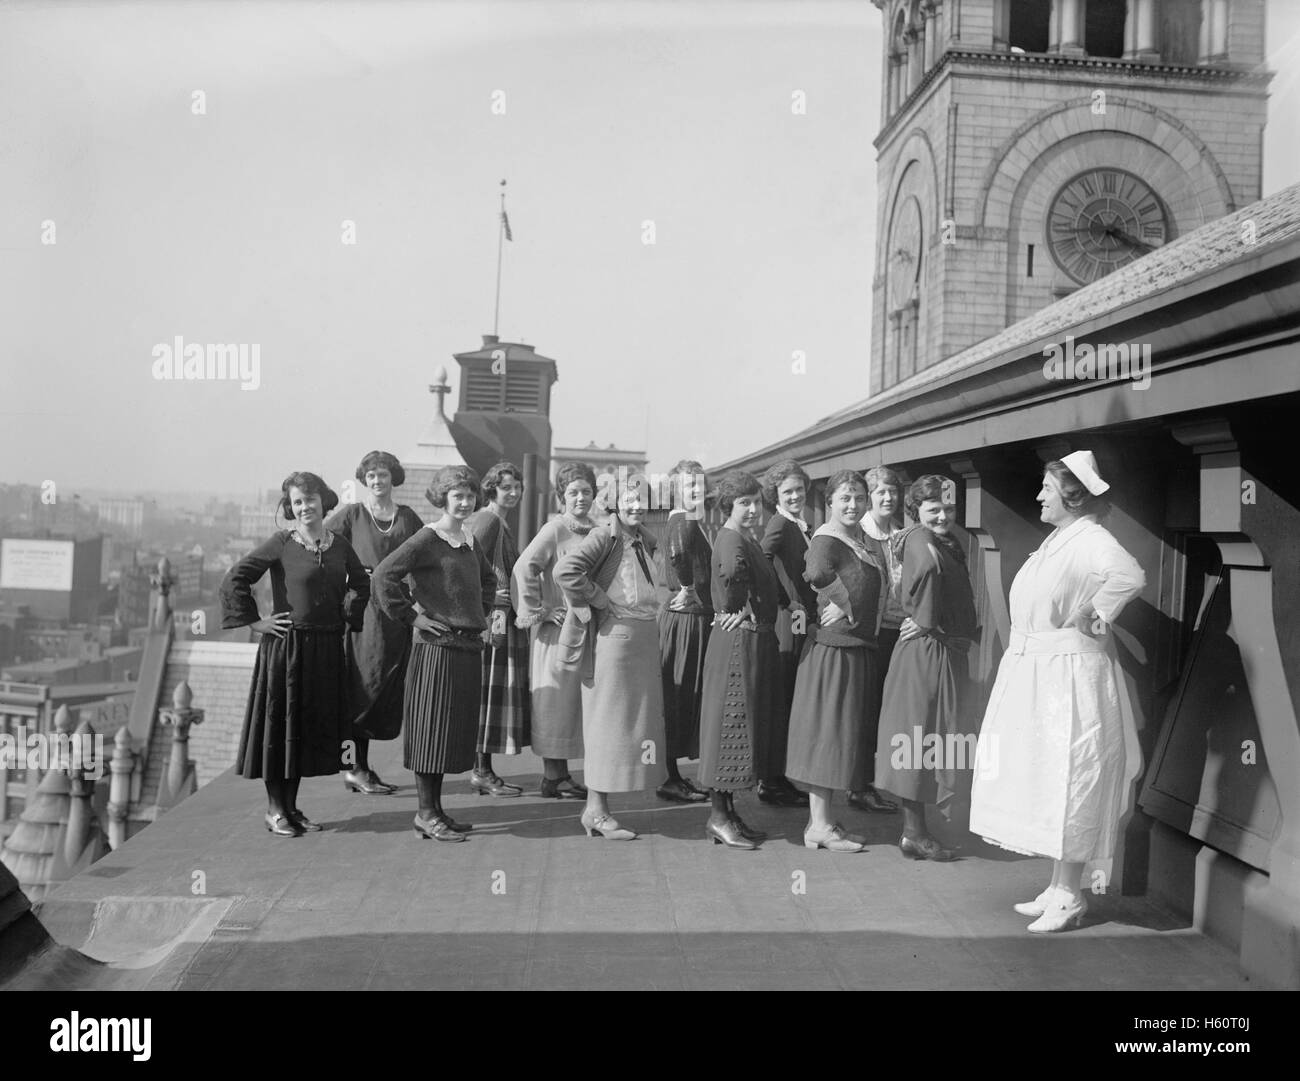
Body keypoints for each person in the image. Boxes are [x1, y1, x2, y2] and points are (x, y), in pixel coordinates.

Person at [970, 451, 1146, 933]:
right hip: (1039, 671)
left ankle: (1070, 895)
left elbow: (1129, 575)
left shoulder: (1093, 539)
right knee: (1047, 777)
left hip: (1071, 675)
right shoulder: (1063, 538)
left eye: (1047, 488)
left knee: (1072, 775)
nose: (1038, 496)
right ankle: (1056, 884)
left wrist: (1095, 612)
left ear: (1072, 495)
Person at [221, 471, 369, 836]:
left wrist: (346, 615)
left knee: (304, 730)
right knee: (281, 726)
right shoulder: (281, 543)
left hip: (324, 650)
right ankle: (275, 811)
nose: (305, 507)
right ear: (291, 507)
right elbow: (235, 578)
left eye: (310, 499)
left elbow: (362, 583)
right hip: (286, 649)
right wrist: (255, 622)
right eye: (297, 502)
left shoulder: (339, 545)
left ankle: (293, 809)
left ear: (324, 500)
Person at [372, 465, 496, 843]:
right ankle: (425, 814)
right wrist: (413, 617)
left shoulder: (469, 539)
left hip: (466, 649)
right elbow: (383, 576)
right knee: (429, 732)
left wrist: (482, 612)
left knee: (449, 735)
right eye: (457, 495)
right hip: (435, 652)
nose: (465, 501)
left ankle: (436, 811)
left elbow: (488, 579)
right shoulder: (428, 537)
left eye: (470, 495)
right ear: (442, 498)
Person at [554, 477, 669, 840]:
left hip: (642, 637)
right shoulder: (605, 534)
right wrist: (600, 600)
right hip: (617, 639)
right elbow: (565, 572)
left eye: (642, 501)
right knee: (608, 723)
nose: (637, 507)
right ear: (616, 503)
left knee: (634, 727)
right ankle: (597, 811)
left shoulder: (642, 538)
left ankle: (597, 809)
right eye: (629, 501)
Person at [874, 474, 979, 861]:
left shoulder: (944, 540)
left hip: (937, 650)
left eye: (949, 509)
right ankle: (914, 832)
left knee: (934, 740)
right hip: (926, 652)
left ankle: (920, 830)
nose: (943, 516)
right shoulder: (920, 538)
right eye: (934, 509)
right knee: (918, 739)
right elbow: (928, 571)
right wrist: (925, 616)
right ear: (916, 511)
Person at [785, 470, 889, 852]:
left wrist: (849, 609)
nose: (853, 505)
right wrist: (843, 604)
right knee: (827, 735)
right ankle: (819, 827)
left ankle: (823, 822)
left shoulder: (856, 539)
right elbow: (814, 571)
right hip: (833, 652)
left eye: (860, 498)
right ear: (829, 501)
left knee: (841, 735)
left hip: (854, 647)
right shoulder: (827, 538)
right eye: (845, 498)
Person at [326, 450, 424, 795]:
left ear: (392, 478)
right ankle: (353, 766)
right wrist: (352, 577)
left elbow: (424, 557)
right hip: (363, 614)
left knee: (384, 684)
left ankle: (361, 766)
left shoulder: (408, 518)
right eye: (371, 477)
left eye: (383, 475)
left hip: (395, 613)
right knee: (360, 685)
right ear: (364, 480)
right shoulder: (351, 516)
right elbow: (321, 548)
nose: (377, 482)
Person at [696, 471, 783, 849]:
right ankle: (718, 817)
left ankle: (729, 814)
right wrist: (737, 607)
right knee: (727, 726)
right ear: (729, 507)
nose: (751, 509)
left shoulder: (741, 537)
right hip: (737, 644)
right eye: (743, 503)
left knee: (737, 726)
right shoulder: (732, 537)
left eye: (755, 502)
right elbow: (732, 572)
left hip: (746, 643)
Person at [511, 462, 596, 799]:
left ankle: (562, 774)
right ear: (562, 496)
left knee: (573, 703)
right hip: (557, 633)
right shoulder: (555, 529)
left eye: (586, 491)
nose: (580, 498)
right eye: (573, 492)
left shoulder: (597, 528)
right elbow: (524, 566)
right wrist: (539, 611)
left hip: (586, 630)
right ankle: (551, 777)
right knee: (555, 702)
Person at [465, 461, 530, 797]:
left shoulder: (500, 521)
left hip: (502, 618)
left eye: (518, 487)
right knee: (488, 694)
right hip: (493, 620)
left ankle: (484, 769)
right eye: (507, 487)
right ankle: (480, 770)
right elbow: (466, 562)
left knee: (494, 694)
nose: (514, 493)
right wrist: (488, 596)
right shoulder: (488, 519)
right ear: (492, 488)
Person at [757, 459, 816, 809]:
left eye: (799, 490)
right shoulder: (780, 522)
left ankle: (778, 776)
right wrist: (785, 599)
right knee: (782, 697)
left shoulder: (799, 524)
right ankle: (771, 781)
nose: (795, 496)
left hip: (797, 619)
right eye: (788, 491)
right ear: (776, 495)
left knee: (788, 696)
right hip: (788, 621)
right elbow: (761, 558)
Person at [848, 466, 904, 815]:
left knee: (889, 710)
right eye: (880, 492)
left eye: (892, 492)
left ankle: (881, 781)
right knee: (865, 709)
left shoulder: (904, 534)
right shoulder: (859, 534)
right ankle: (859, 786)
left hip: (901, 632)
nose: (887, 498)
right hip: (871, 634)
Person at [656, 459, 712, 804]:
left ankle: (674, 775)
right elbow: (677, 555)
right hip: (687, 620)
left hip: (691, 618)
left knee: (684, 695)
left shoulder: (688, 519)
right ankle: (669, 778)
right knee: (680, 696)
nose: (696, 491)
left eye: (700, 485)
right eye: (690, 485)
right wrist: (689, 586)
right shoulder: (684, 520)